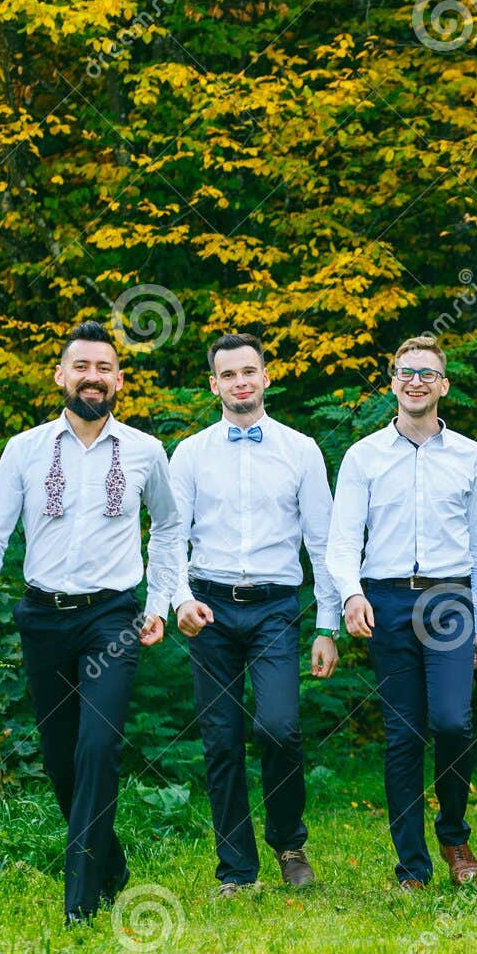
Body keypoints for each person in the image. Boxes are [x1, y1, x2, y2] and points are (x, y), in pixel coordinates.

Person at [0, 320, 182, 922]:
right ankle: (110, 863)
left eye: (104, 368)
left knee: (98, 747)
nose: (93, 377)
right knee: (60, 757)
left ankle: (81, 902)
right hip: (42, 617)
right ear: (60, 376)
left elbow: (168, 527)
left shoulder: (144, 451)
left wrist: (159, 603)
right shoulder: (25, 449)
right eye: (81, 366)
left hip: (112, 617)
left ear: (119, 380)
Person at [170, 333, 339, 897]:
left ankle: (289, 843)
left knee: (279, 728)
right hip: (208, 607)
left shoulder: (301, 450)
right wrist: (177, 601)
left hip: (274, 609)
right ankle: (237, 870)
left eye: (250, 371)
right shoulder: (190, 453)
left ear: (266, 377)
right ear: (213, 384)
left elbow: (323, 540)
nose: (240, 382)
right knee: (220, 741)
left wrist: (327, 624)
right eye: (228, 374)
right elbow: (170, 538)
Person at [327, 334, 477, 890]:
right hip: (387, 598)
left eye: (427, 372)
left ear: (443, 385)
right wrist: (351, 593)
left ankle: (453, 831)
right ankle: (412, 865)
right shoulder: (363, 456)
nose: (415, 380)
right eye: (405, 371)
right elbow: (343, 538)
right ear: (392, 382)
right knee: (402, 735)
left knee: (452, 722)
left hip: (449, 599)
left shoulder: (471, 455)